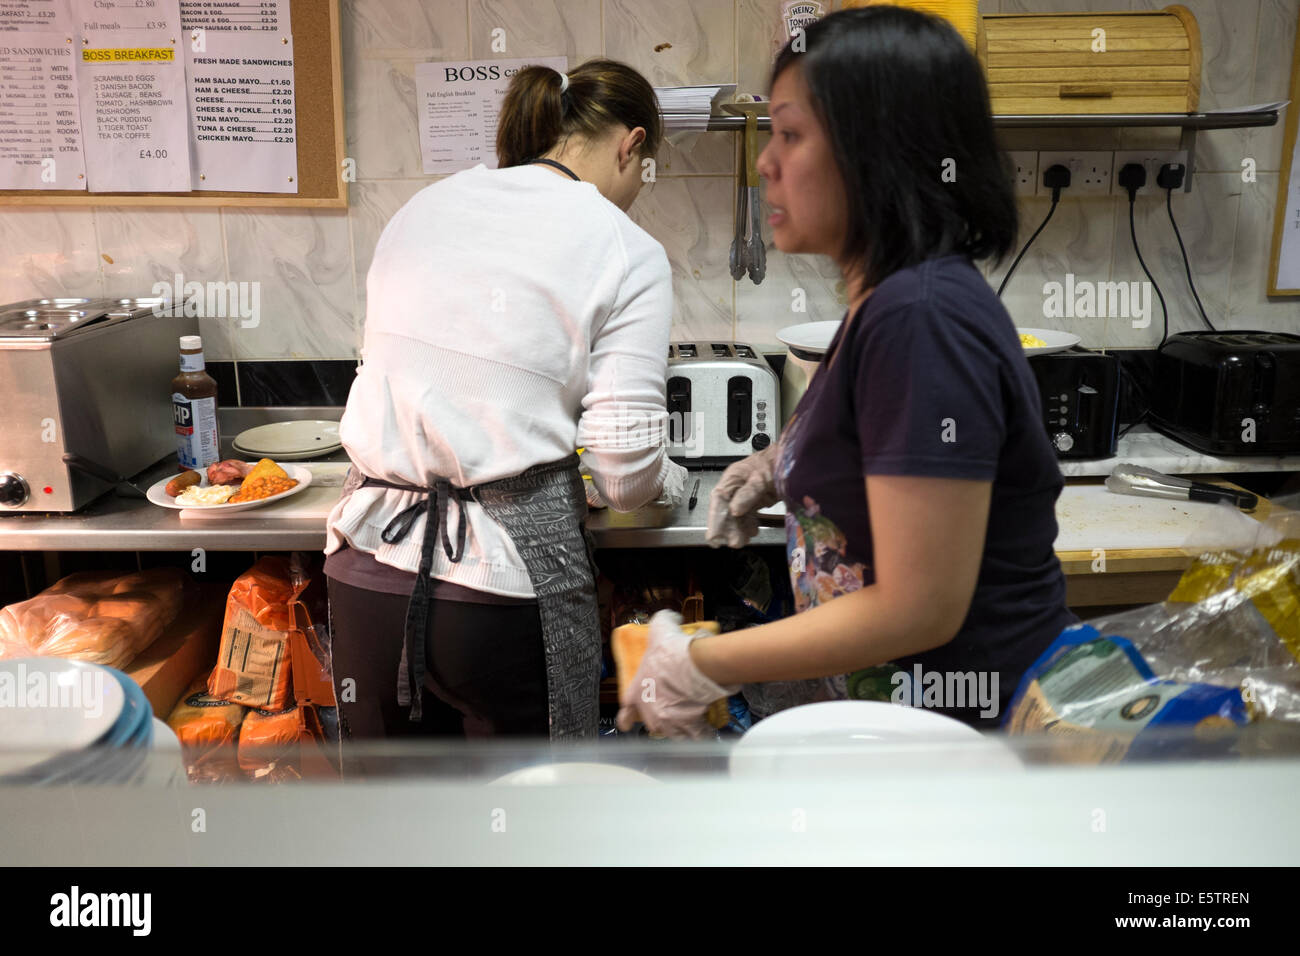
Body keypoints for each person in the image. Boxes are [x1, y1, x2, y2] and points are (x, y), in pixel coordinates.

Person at [618, 7, 1078, 737]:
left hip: (974, 735)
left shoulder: (919, 316)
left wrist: (704, 660)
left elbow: (918, 605)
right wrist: (780, 463)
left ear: (880, 150)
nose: (765, 161)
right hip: (916, 724)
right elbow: (875, 433)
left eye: (792, 135)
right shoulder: (887, 304)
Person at [325, 58, 688, 747]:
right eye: (647, 169)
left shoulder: (424, 205)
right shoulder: (626, 249)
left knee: (391, 831)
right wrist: (669, 481)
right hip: (503, 595)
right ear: (631, 144)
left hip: (364, 570)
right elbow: (623, 473)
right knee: (536, 826)